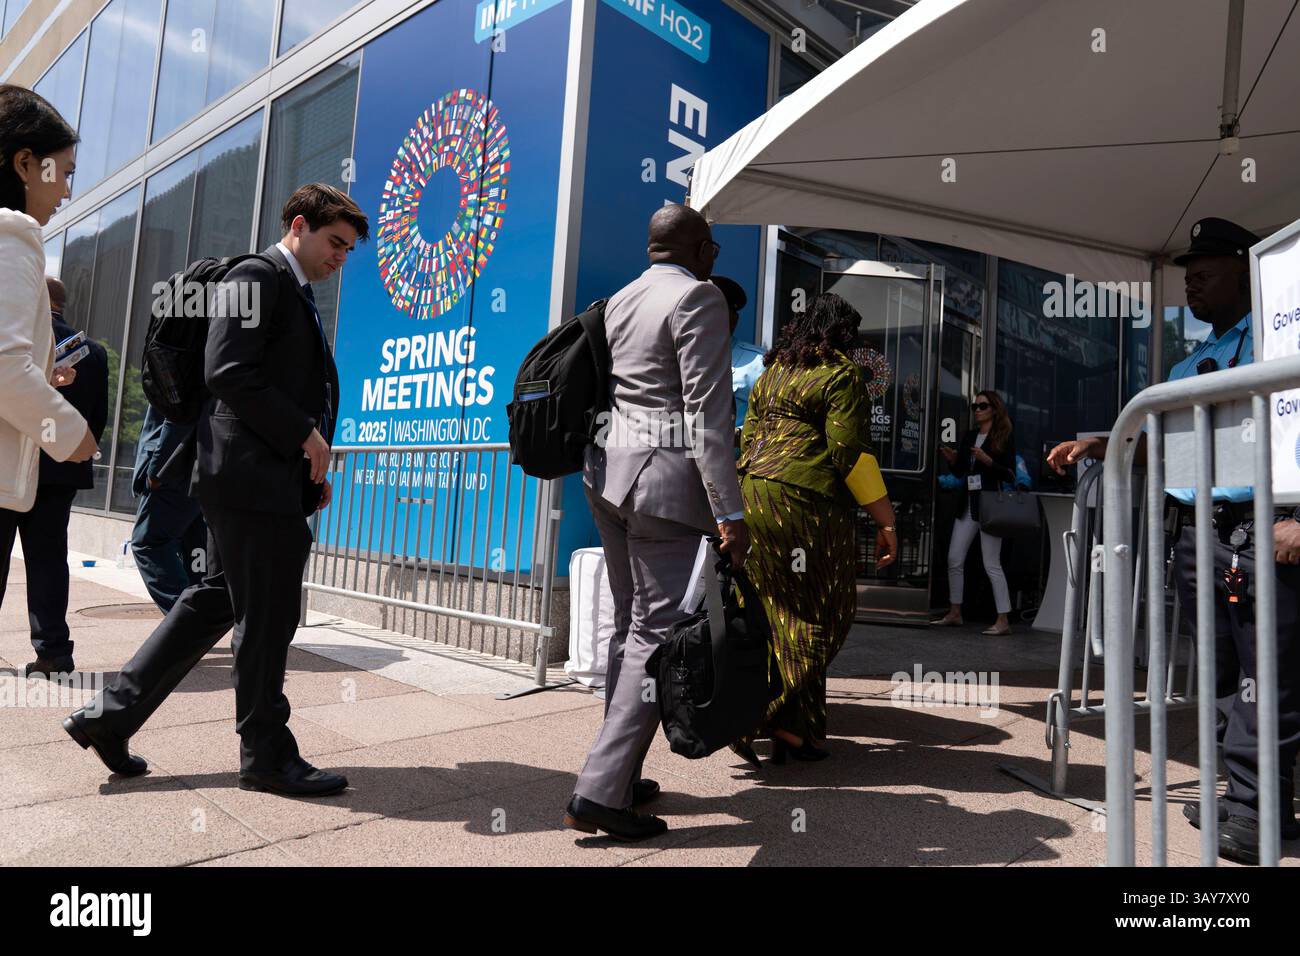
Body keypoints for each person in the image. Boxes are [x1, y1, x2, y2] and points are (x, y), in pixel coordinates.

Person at [65, 183, 366, 798]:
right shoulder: (259, 276)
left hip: (258, 475)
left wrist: (303, 461)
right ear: (299, 225)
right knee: (269, 612)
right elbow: (226, 370)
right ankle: (265, 755)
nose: (342, 256)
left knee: (215, 600)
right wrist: (304, 435)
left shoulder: (291, 290)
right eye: (335, 242)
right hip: (247, 480)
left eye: (349, 249)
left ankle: (108, 717)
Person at [1048, 216, 1300, 865]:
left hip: (1260, 532)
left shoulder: (1280, 346)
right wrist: (1110, 443)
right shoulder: (1192, 363)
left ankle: (1256, 811)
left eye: (1204, 272)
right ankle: (1249, 797)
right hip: (1198, 535)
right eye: (1186, 275)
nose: (1191, 284)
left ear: (1245, 270)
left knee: (1267, 679)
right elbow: (1167, 437)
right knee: (1221, 680)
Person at [565, 204, 749, 841]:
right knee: (657, 633)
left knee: (629, 624)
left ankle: (621, 769)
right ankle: (600, 792)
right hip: (663, 490)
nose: (716, 256)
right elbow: (709, 415)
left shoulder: (622, 297)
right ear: (697, 248)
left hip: (608, 478)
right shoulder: (698, 299)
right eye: (713, 246)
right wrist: (729, 510)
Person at [733, 292, 897, 766]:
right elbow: (849, 453)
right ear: (844, 334)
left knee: (774, 610)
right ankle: (765, 714)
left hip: (753, 494)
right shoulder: (842, 372)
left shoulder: (773, 372)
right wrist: (885, 520)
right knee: (828, 608)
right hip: (802, 500)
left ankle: (795, 730)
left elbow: (746, 435)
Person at [0, 86, 99, 645]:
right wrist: (71, 432)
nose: (65, 190)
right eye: (62, 172)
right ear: (24, 163)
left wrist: (39, 372)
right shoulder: (13, 236)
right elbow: (3, 370)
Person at [0, 277, 108, 678]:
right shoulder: (94, 353)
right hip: (60, 470)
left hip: (10, 468)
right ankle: (54, 654)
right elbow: (96, 420)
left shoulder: (16, 346)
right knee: (48, 560)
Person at [933, 390, 1018, 635]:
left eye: (982, 406)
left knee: (992, 563)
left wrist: (988, 460)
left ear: (994, 409)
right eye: (975, 406)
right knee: (954, 557)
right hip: (969, 503)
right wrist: (952, 459)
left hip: (990, 505)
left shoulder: (1003, 435)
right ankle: (955, 612)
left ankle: (1003, 619)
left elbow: (1009, 473)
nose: (977, 410)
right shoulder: (970, 435)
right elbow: (961, 471)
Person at [130, 403, 204, 613]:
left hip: (175, 467)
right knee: (195, 545)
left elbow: (177, 411)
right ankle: (198, 622)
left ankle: (187, 622)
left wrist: (156, 471)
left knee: (148, 543)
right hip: (201, 461)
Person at [709, 274, 765, 436]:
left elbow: (773, 421)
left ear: (733, 319)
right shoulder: (673, 356)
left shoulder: (759, 363)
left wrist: (737, 435)